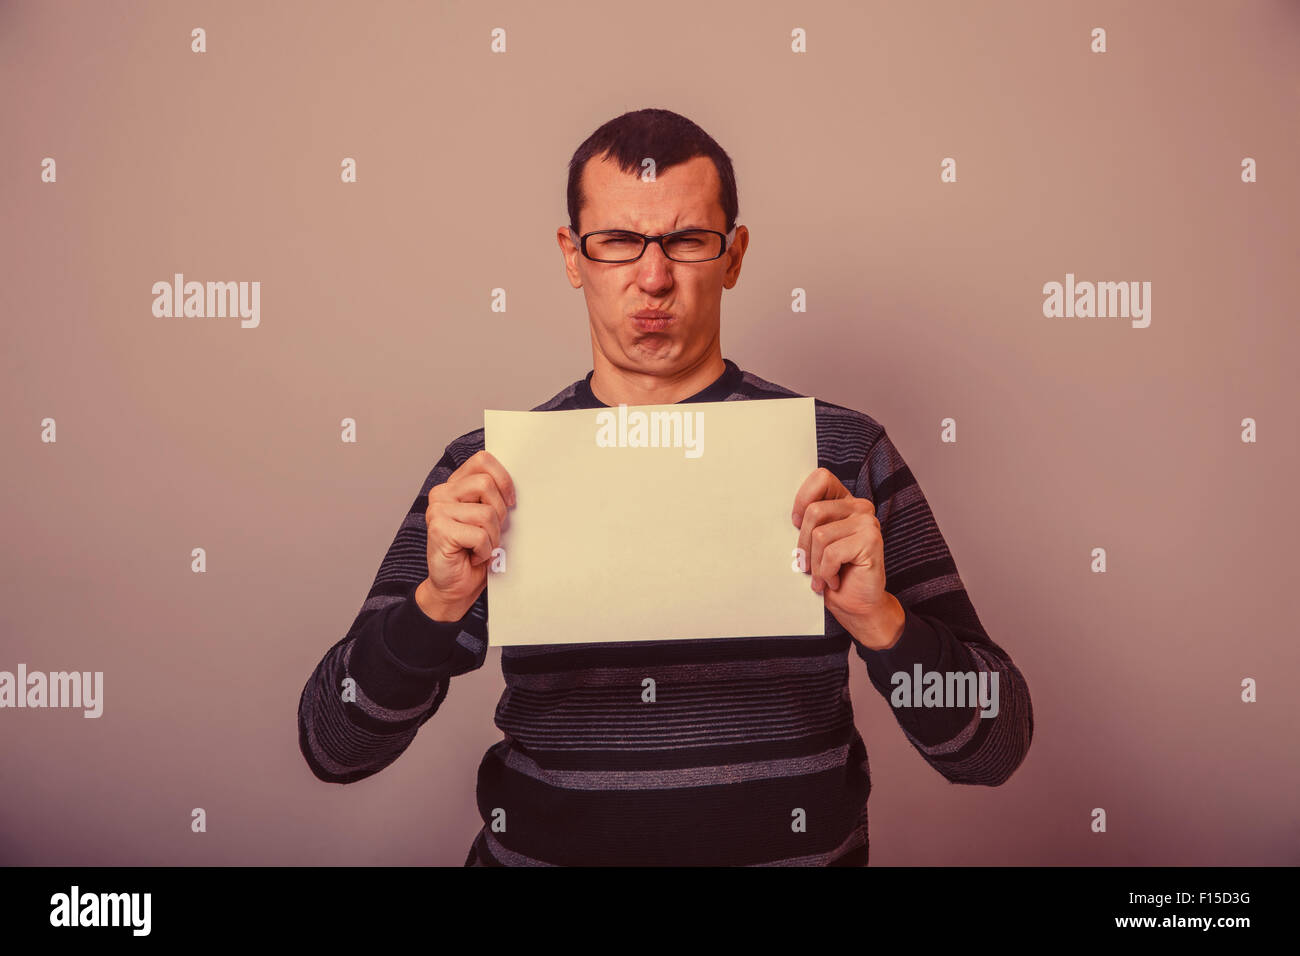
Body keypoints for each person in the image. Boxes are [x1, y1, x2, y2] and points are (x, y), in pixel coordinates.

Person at [297, 108, 1032, 866]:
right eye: (617, 242)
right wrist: (436, 607)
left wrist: (884, 623)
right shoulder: (488, 473)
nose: (653, 278)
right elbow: (333, 743)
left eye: (685, 240)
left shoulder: (843, 454)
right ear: (572, 255)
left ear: (734, 255)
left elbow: (994, 748)